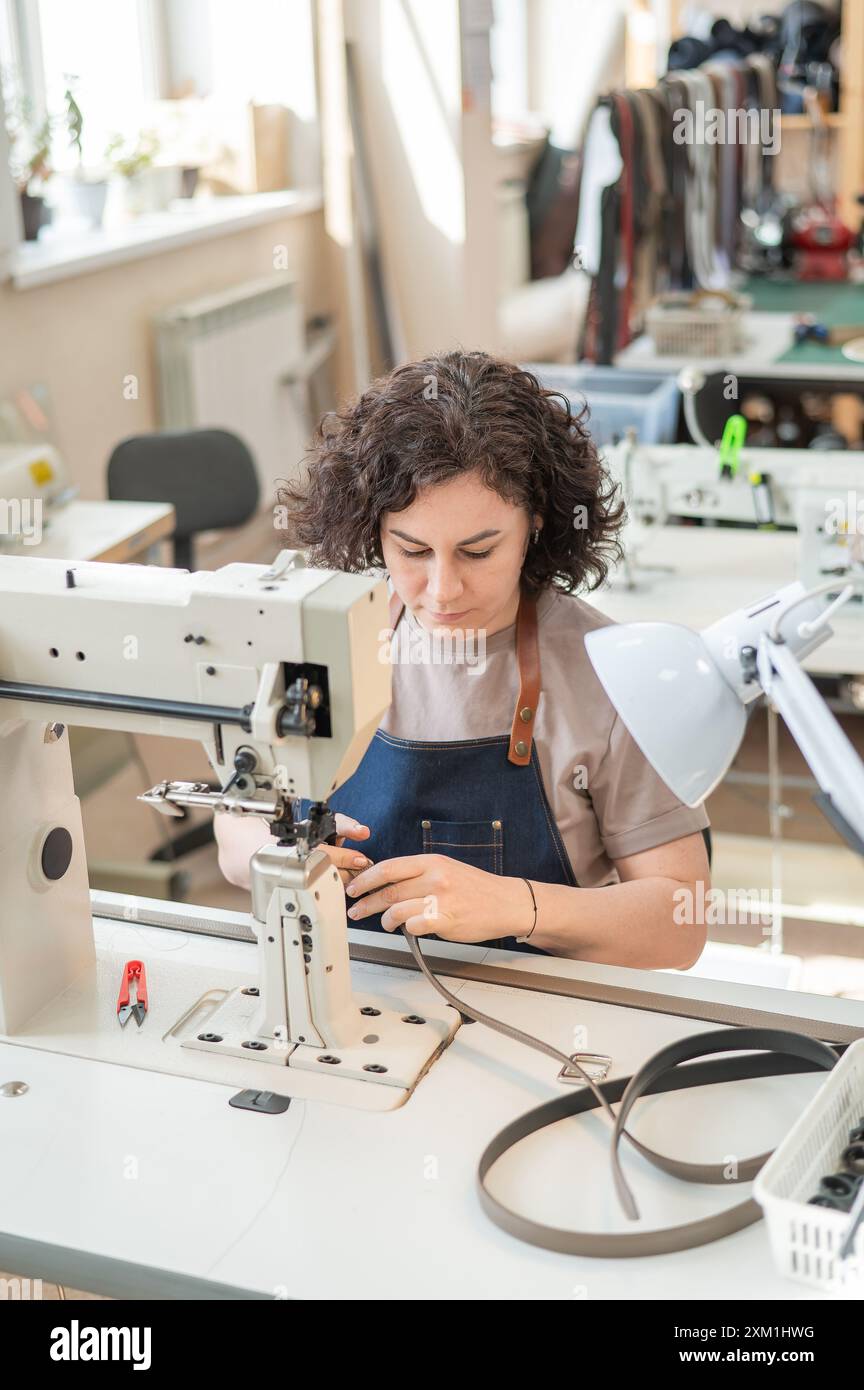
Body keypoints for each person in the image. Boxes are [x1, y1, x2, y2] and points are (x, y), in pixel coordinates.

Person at [216, 350, 710, 968]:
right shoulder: (314, 643)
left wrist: (518, 906)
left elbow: (679, 922)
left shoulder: (615, 677)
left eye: (478, 552)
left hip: (544, 1015)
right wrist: (273, 855)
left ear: (534, 524)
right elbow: (234, 830)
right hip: (347, 997)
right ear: (372, 530)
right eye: (412, 550)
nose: (443, 589)